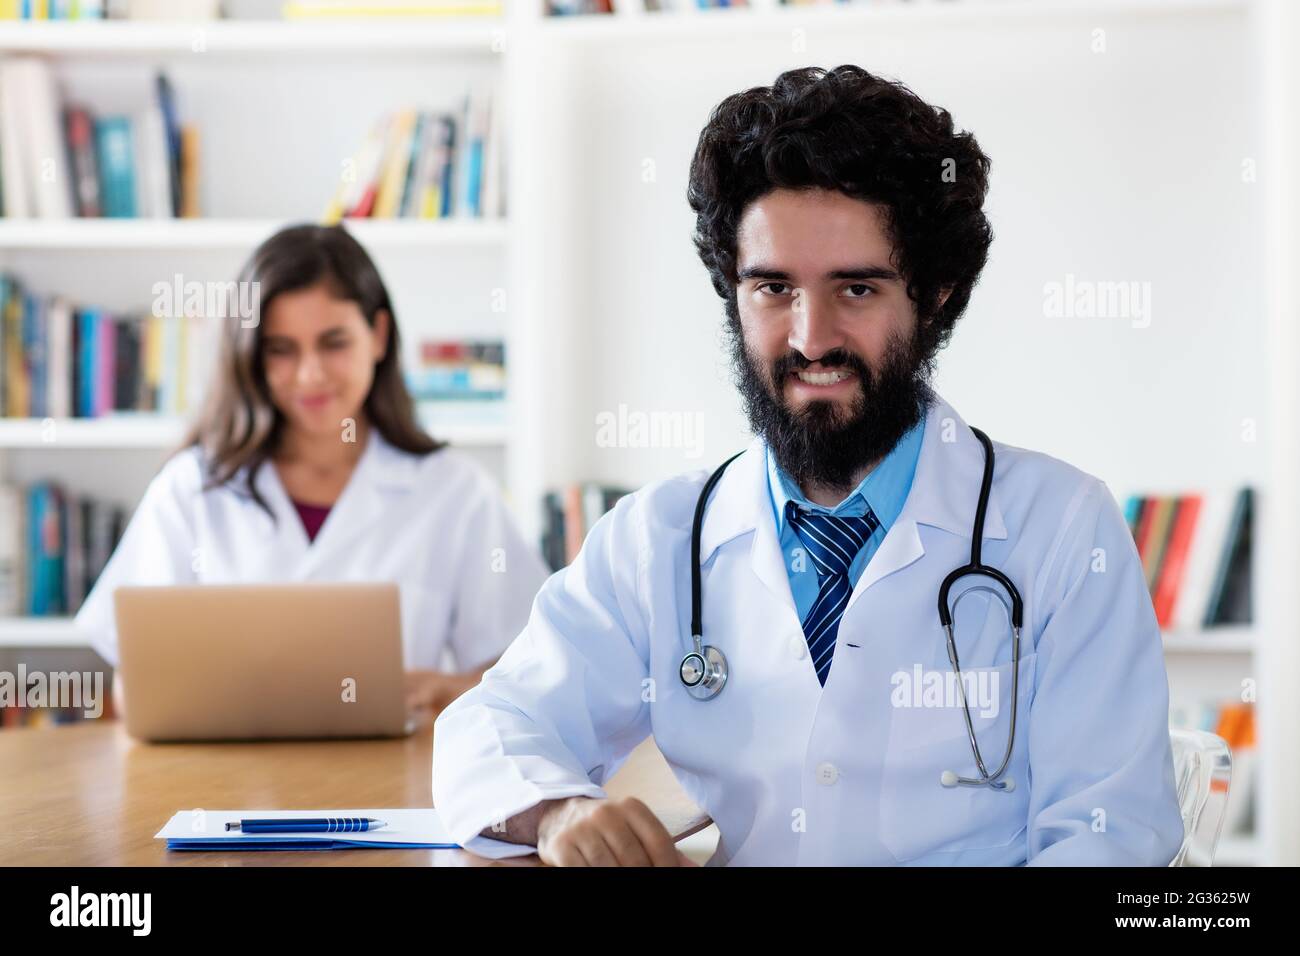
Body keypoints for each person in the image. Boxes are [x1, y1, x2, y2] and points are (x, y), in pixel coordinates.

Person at [431, 65, 1185, 866]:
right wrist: (557, 812)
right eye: (773, 288)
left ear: (933, 295)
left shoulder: (1062, 530)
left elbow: (1112, 838)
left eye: (855, 289)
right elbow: (493, 722)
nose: (809, 336)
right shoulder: (660, 538)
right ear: (733, 291)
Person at [77, 224, 547, 718]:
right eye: (281, 349)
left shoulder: (456, 493)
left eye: (333, 342)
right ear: (252, 356)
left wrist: (446, 689)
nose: (310, 375)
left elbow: (525, 666)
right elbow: (134, 681)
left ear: (379, 336)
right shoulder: (190, 489)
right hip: (223, 788)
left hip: (394, 784)